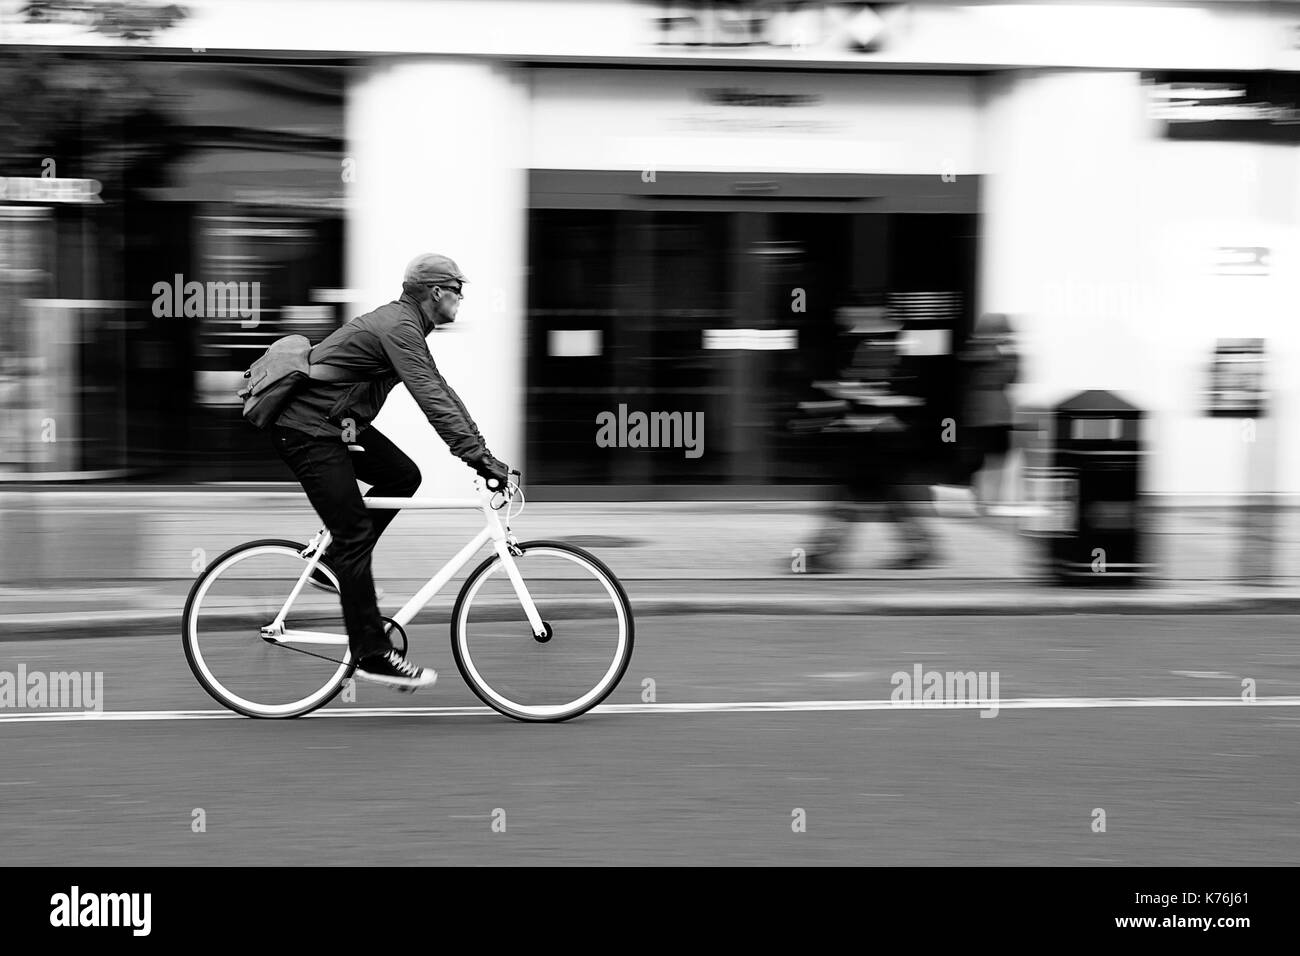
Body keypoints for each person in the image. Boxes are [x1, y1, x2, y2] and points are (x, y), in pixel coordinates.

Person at [270, 253, 510, 691]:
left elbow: (441, 391)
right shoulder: (399, 327)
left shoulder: (407, 327)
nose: (461, 298)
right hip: (308, 430)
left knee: (403, 476)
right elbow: (431, 400)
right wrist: (477, 458)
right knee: (355, 535)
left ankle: (332, 562)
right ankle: (372, 654)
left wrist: (484, 454)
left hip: (336, 426)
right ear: (436, 292)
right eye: (459, 290)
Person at [803, 305, 937, 572]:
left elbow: (888, 394)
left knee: (851, 495)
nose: (847, 318)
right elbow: (867, 389)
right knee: (884, 498)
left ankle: (824, 554)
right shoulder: (873, 345)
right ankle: (919, 548)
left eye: (855, 314)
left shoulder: (885, 348)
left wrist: (846, 397)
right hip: (875, 437)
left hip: (880, 438)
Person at [959, 312, 1020, 515]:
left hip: (1001, 415)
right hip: (980, 416)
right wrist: (996, 348)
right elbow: (974, 366)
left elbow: (1014, 376)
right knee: (981, 462)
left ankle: (992, 503)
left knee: (1000, 460)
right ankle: (982, 502)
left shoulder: (1008, 353)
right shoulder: (976, 350)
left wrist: (1008, 351)